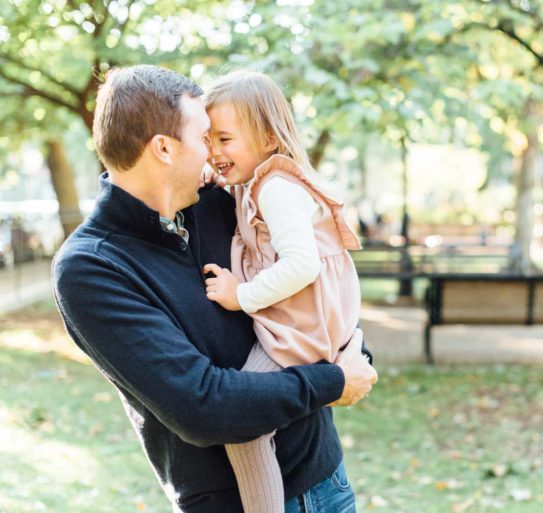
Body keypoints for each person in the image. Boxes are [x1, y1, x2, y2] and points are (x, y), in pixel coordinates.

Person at [51, 64, 378, 513]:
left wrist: (352, 350)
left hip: (326, 483)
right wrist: (332, 380)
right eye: (205, 137)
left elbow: (314, 278)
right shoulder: (92, 268)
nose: (213, 154)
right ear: (164, 148)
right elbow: (204, 407)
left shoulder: (220, 203)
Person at [200, 70, 363, 513]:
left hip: (301, 327)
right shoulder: (253, 183)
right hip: (302, 321)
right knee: (247, 420)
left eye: (225, 139)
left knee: (242, 421)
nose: (214, 152)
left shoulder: (277, 188)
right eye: (208, 139)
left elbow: (303, 265)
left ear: (269, 138)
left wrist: (242, 295)